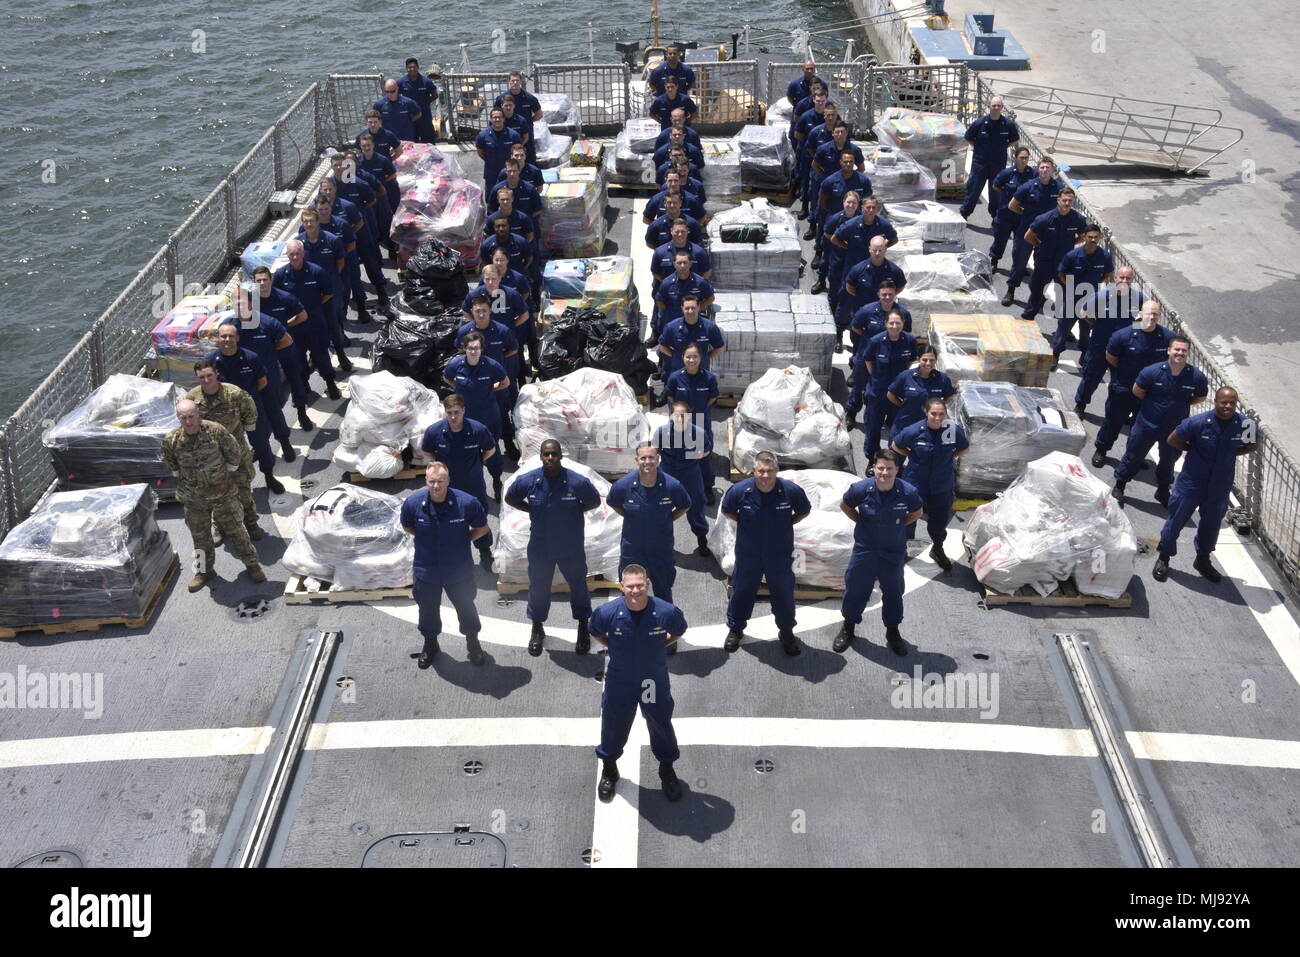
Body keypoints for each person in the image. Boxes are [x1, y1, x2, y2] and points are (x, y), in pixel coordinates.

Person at [590, 564, 688, 803]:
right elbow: (596, 631)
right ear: (622, 587)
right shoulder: (607, 613)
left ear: (648, 584)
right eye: (630, 586)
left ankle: (666, 768)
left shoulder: (665, 612)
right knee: (614, 723)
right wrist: (612, 646)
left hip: (651, 680)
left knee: (660, 722)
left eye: (640, 586)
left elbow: (678, 630)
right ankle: (610, 768)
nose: (635, 591)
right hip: (620, 679)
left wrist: (660, 644)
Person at [504, 439, 603, 656]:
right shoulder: (530, 481)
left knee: (578, 586)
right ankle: (537, 628)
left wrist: (575, 512)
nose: (550, 458)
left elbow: (594, 501)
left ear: (560, 456)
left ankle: (583, 626)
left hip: (570, 545)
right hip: (541, 546)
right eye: (546, 454)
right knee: (539, 587)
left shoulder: (576, 482)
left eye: (554, 454)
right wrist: (530, 510)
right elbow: (510, 497)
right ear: (541, 456)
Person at [1153, 388, 1258, 583]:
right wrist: (1193, 450)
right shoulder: (1197, 423)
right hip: (1192, 482)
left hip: (1219, 485)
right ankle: (1164, 557)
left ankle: (1202, 560)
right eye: (1223, 402)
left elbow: (1253, 445)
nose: (1227, 406)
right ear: (1215, 402)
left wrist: (1231, 454)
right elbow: (1173, 439)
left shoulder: (1246, 425)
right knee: (1176, 520)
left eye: (1232, 403)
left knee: (1211, 525)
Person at [162, 399, 266, 592]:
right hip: (193, 499)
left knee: (237, 531)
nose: (188, 421)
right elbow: (172, 464)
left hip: (222, 494)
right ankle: (203, 571)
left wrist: (223, 474)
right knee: (199, 537)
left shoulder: (215, 431)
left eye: (191, 416)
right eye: (183, 417)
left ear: (198, 414)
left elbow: (234, 453)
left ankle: (253, 565)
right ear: (178, 418)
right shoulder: (172, 440)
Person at [720, 450, 812, 657]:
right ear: (754, 470)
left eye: (769, 471)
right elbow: (727, 510)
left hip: (779, 553)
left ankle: (786, 632)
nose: (765, 475)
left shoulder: (791, 491)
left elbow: (804, 511)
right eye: (761, 471)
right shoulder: (740, 491)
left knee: (783, 593)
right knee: (742, 590)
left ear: (777, 470)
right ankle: (736, 629)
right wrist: (744, 523)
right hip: (748, 552)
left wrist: (788, 522)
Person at [834, 450, 924, 655]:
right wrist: (861, 522)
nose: (884, 473)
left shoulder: (907, 492)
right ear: (874, 468)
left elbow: (917, 512)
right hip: (865, 550)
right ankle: (849, 627)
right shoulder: (861, 489)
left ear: (897, 470)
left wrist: (900, 525)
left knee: (893, 592)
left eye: (889, 468)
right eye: (880, 468)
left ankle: (892, 631)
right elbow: (845, 504)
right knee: (855, 589)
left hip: (892, 552)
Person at [402, 462, 490, 668]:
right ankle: (430, 643)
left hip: (458, 569)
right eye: (432, 481)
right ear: (426, 481)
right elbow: (408, 526)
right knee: (427, 610)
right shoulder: (413, 503)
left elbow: (482, 527)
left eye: (441, 481)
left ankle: (473, 643)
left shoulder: (467, 503)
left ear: (448, 481)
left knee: (466, 606)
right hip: (427, 568)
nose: (436, 486)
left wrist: (464, 539)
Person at [1113, 336, 1209, 506]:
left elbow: (1200, 397)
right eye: (1177, 349)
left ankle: (1163, 490)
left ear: (1188, 353)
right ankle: (1120, 484)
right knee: (1134, 455)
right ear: (1169, 350)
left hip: (1174, 429)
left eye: (1183, 350)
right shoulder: (1152, 371)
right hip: (1147, 424)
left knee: (1169, 460)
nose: (1180, 353)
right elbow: (1138, 391)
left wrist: (1180, 405)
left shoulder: (1196, 377)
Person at [607, 443, 691, 608]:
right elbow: (613, 502)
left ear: (658, 459)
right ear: (636, 460)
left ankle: (666, 627)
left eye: (651, 457)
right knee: (630, 591)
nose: (647, 461)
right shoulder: (623, 486)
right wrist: (630, 516)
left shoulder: (672, 485)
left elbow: (684, 505)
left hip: (661, 549)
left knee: (664, 592)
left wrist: (668, 518)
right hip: (633, 549)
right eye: (643, 458)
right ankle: (629, 627)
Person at [187, 358, 271, 523]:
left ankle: (251, 522)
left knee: (244, 489)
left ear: (217, 373)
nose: (206, 380)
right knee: (214, 494)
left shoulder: (233, 393)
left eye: (209, 375)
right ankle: (219, 526)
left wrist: (247, 430)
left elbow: (250, 411)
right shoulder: (192, 398)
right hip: (210, 456)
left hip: (236, 450)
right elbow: (187, 422)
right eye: (201, 377)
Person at [420, 393, 498, 571]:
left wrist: (478, 462)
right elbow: (428, 452)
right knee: (448, 522)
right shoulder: (434, 431)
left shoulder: (478, 430)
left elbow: (490, 449)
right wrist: (437, 468)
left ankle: (485, 553)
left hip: (473, 485)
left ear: (464, 411)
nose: (453, 417)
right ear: (445, 412)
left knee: (479, 521)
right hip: (446, 488)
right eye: (449, 413)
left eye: (456, 412)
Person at [207, 321, 287, 493]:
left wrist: (244, 401)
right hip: (225, 414)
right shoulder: (211, 362)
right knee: (228, 448)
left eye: (230, 336)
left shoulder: (250, 358)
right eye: (223, 336)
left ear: (237, 338)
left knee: (261, 444)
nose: (227, 339)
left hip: (250, 410)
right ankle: (235, 485)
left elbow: (262, 382)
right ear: (217, 339)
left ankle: (269, 477)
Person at [1093, 301, 1173, 468]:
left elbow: (1168, 361)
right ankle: (1102, 449)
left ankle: (1134, 455)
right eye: (1149, 313)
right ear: (1140, 314)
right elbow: (1111, 356)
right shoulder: (1123, 335)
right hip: (1124, 388)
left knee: (1141, 429)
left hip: (1148, 393)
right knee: (1113, 422)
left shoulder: (1166, 338)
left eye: (1155, 314)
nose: (1151, 317)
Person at [891, 400, 969, 571]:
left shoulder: (952, 430)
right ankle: (902, 550)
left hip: (941, 484)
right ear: (926, 412)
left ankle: (937, 548)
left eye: (941, 414)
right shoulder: (914, 431)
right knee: (909, 517)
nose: (938, 417)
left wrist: (950, 457)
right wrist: (912, 455)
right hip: (916, 483)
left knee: (940, 520)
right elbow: (896, 445)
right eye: (934, 413)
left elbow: (964, 447)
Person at [252, 265, 337, 409]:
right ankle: (303, 392)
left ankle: (329, 384)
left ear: (271, 280)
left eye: (265, 280)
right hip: (270, 345)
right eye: (258, 281)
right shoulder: (251, 302)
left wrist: (285, 327)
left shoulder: (284, 297)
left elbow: (302, 315)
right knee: (296, 373)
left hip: (295, 336)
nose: (262, 284)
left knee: (318, 356)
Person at [229, 282, 306, 439]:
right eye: (235, 304)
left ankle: (284, 441)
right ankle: (262, 446)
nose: (239, 307)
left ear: (250, 303)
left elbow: (287, 340)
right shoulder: (229, 327)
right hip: (245, 379)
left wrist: (270, 351)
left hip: (269, 376)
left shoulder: (267, 322)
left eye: (242, 302)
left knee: (274, 411)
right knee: (252, 415)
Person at [444, 329, 513, 489]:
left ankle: (496, 480)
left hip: (488, 417)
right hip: (465, 420)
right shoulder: (456, 364)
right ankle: (471, 484)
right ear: (464, 349)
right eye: (470, 348)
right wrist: (460, 389)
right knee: (466, 452)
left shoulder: (492, 365)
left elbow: (506, 382)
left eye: (476, 348)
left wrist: (490, 389)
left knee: (492, 452)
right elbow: (447, 378)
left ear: (482, 349)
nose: (473, 351)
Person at [273, 241, 342, 398]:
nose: (295, 256)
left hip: (314, 324)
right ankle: (305, 385)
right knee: (298, 360)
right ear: (287, 256)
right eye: (292, 254)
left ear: (303, 253)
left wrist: (314, 306)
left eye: (298, 253)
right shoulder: (280, 275)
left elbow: (328, 292)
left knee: (321, 355)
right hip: (294, 327)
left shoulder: (316, 272)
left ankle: (331, 384)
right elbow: (274, 295)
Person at [1073, 266, 1145, 413]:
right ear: (1115, 278)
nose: (1124, 281)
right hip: (1100, 347)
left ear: (1132, 280)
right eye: (1122, 277)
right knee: (1090, 378)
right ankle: (1081, 404)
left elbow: (1144, 320)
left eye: (1128, 278)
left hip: (1123, 351)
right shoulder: (1102, 296)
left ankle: (1113, 412)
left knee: (1119, 384)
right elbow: (1084, 311)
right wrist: (1095, 324)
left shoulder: (1139, 299)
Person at [457, 294, 521, 457]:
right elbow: (459, 350)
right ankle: (475, 447)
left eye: (484, 311)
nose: (481, 314)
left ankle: (508, 443)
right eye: (477, 311)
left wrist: (497, 363)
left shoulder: (502, 330)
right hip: (473, 384)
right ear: (472, 311)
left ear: (490, 310)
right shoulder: (465, 332)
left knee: (502, 414)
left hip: (496, 384)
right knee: (472, 416)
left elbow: (513, 349)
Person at [850, 311, 917, 453]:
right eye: (891, 323)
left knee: (896, 428)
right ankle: (872, 457)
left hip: (898, 393)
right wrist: (876, 377)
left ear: (903, 324)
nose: (894, 326)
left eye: (898, 323)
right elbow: (868, 360)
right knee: (873, 428)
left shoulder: (910, 340)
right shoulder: (876, 341)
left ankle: (893, 458)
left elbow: (910, 360)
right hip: (878, 393)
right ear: (885, 324)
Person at [654, 401, 712, 555]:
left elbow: (706, 450)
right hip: (667, 473)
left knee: (696, 507)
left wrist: (693, 457)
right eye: (676, 415)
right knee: (662, 507)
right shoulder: (661, 432)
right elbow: (655, 450)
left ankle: (702, 539)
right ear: (670, 416)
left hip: (690, 473)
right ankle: (662, 541)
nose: (680, 418)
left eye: (683, 415)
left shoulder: (699, 433)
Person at [1020, 187, 1087, 322]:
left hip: (1065, 265)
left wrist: (1072, 244)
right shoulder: (1045, 219)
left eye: (1070, 201)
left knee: (1066, 295)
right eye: (1065, 200)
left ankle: (1064, 329)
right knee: (1037, 291)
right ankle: (1028, 318)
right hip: (1045, 261)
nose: (1067, 203)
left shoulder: (1078, 219)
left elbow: (1082, 236)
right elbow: (1028, 236)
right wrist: (1040, 245)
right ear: (1058, 200)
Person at [1050, 223, 1114, 360]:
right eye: (1090, 237)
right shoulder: (1072, 256)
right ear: (1084, 237)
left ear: (1100, 238)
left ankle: (1084, 353)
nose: (1093, 240)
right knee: (1064, 328)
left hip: (1091, 300)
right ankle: (1055, 354)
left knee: (1086, 330)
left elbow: (1106, 275)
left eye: (1096, 237)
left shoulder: (1104, 256)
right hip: (1072, 298)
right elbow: (1061, 273)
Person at [1003, 156, 1060, 306]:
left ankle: (1038, 294)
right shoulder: (1028, 187)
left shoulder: (1059, 189)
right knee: (1019, 262)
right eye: (1041, 167)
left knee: (1043, 266)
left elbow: (1065, 208)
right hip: (1027, 230)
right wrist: (1026, 214)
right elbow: (1012, 205)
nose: (1044, 170)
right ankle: (1011, 290)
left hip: (1047, 234)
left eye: (1047, 167)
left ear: (1053, 170)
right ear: (1038, 169)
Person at [662, 343, 719, 495]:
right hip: (680, 422)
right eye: (688, 356)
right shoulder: (675, 377)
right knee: (677, 454)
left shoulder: (709, 378)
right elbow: (669, 395)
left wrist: (701, 408)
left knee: (702, 456)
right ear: (683, 358)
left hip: (700, 421)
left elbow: (713, 396)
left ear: (701, 358)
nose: (691, 360)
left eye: (695, 356)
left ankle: (706, 487)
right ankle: (674, 487)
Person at [838, 236, 906, 349]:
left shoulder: (894, 271)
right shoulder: (858, 269)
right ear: (869, 249)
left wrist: (887, 298)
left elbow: (901, 285)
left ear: (885, 250)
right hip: (862, 315)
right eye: (875, 250)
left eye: (880, 250)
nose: (877, 253)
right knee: (859, 348)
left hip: (884, 316)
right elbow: (849, 287)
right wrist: (861, 297)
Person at [959, 96, 1019, 219]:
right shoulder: (980, 123)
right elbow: (968, 137)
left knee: (996, 192)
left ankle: (995, 217)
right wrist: (979, 147)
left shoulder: (1008, 124)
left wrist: (1004, 146)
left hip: (998, 164)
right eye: (993, 105)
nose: (996, 108)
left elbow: (1015, 139)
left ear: (1002, 108)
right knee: (974, 189)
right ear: (989, 107)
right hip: (980, 164)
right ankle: (964, 213)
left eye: (998, 106)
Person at [885, 346, 958, 444]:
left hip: (929, 428)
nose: (928, 363)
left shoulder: (942, 379)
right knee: (896, 455)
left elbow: (950, 396)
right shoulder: (905, 376)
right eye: (925, 360)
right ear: (918, 359)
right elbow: (890, 394)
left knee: (923, 457)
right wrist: (903, 405)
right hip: (904, 424)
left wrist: (937, 408)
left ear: (936, 361)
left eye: (932, 360)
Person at [829, 194, 896, 296]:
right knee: (846, 296)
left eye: (874, 208)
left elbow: (894, 239)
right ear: (862, 208)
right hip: (853, 266)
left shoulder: (884, 225)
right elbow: (834, 238)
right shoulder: (851, 224)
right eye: (868, 207)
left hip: (874, 269)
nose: (871, 210)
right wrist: (847, 247)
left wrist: (882, 248)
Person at [814, 147, 871, 263]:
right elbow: (823, 200)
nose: (848, 164)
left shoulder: (863, 181)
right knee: (828, 247)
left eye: (851, 161)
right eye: (845, 161)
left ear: (854, 163)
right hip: (834, 219)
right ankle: (820, 264)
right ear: (840, 162)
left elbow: (867, 201)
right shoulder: (830, 181)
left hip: (855, 221)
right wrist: (832, 215)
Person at [652, 250, 715, 344]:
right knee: (667, 351)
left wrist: (697, 308)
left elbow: (711, 298)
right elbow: (659, 301)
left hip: (692, 324)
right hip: (671, 324)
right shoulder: (666, 283)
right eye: (679, 263)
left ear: (690, 264)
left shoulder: (700, 282)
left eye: (685, 263)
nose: (682, 266)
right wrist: (671, 311)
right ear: (674, 264)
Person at [987, 147, 1034, 270]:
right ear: (1015, 158)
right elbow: (996, 186)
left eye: (1026, 158)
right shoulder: (1007, 173)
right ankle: (994, 260)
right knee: (1000, 239)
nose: (1024, 161)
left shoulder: (1033, 174)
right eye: (1021, 158)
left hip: (1022, 215)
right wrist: (1006, 194)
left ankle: (1019, 266)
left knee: (1021, 244)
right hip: (1006, 214)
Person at [657, 293, 724, 378]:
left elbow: (720, 349)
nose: (690, 311)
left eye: (693, 308)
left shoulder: (710, 327)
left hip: (701, 374)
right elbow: (662, 346)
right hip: (678, 373)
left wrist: (704, 357)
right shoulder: (671, 327)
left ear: (699, 307)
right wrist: (676, 355)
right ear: (682, 309)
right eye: (687, 308)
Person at [817, 190, 860, 302]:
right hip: (837, 255)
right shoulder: (835, 218)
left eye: (854, 203)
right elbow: (827, 233)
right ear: (843, 202)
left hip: (855, 257)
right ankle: (832, 302)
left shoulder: (862, 219)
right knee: (835, 280)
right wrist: (842, 245)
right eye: (848, 202)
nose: (851, 205)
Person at [475, 108, 522, 193]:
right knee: (491, 199)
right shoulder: (482, 135)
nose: (497, 119)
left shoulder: (514, 135)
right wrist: (490, 160)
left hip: (509, 174)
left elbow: (518, 152)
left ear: (503, 119)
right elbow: (480, 151)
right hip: (491, 174)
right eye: (495, 117)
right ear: (490, 119)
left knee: (509, 199)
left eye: (499, 117)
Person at [397, 58, 439, 143]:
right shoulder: (401, 82)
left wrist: (425, 102)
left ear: (418, 67)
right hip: (410, 118)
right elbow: (395, 96)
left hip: (425, 117)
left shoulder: (426, 82)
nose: (412, 69)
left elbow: (435, 95)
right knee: (410, 144)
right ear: (406, 68)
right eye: (409, 67)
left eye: (414, 67)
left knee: (429, 144)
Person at [372, 78, 421, 142]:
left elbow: (418, 114)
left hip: (406, 138)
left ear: (397, 89)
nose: (389, 94)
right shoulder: (379, 104)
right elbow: (375, 119)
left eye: (392, 91)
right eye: (387, 92)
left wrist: (408, 121)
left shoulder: (408, 102)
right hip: (388, 138)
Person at [498, 94, 535, 166]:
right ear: (502, 106)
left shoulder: (521, 120)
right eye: (506, 105)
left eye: (510, 105)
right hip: (502, 154)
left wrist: (517, 149)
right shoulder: (497, 121)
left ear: (514, 106)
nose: (508, 107)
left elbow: (526, 137)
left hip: (517, 155)